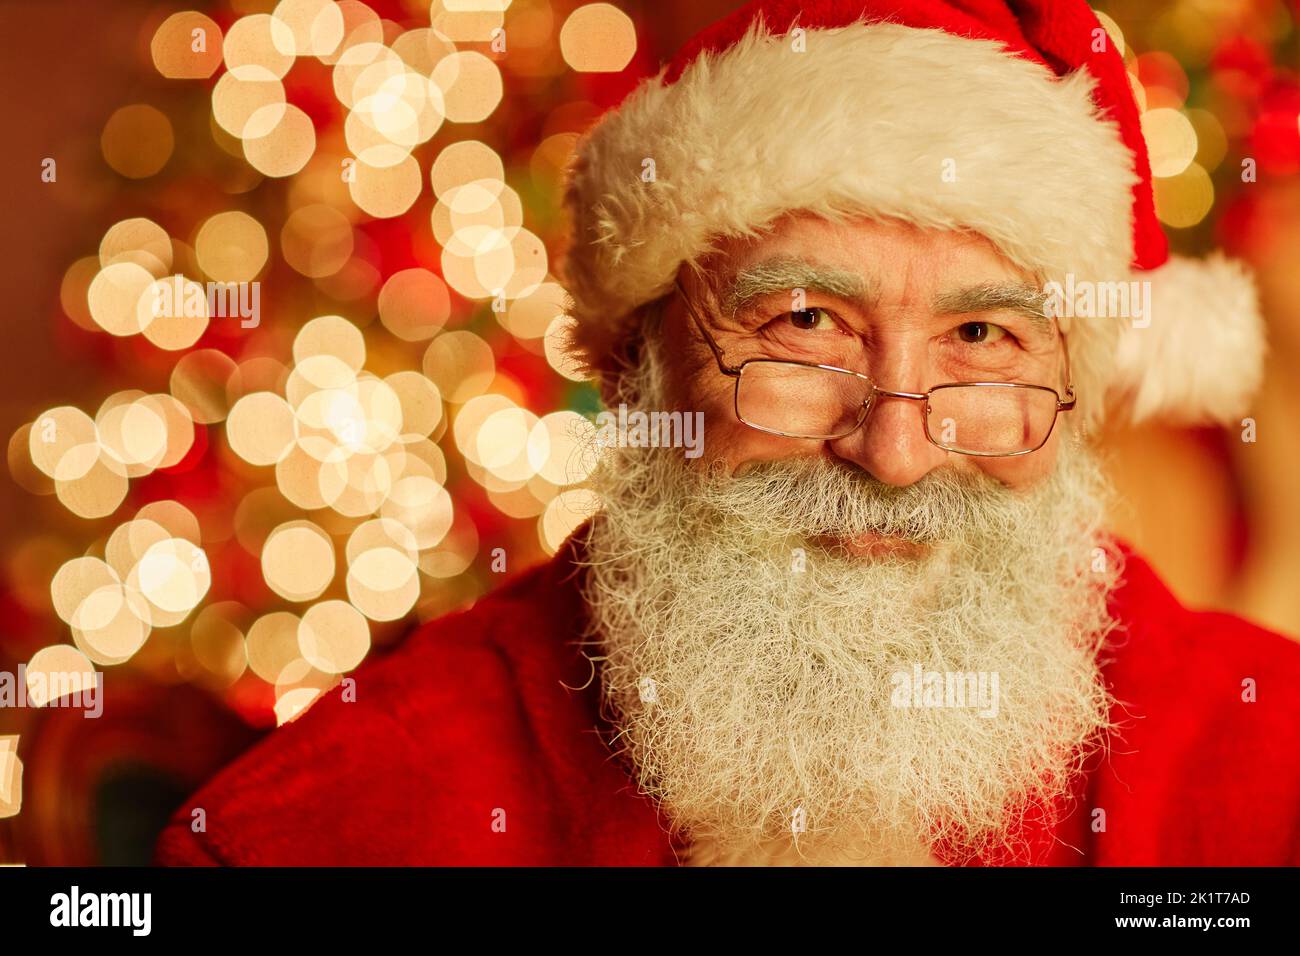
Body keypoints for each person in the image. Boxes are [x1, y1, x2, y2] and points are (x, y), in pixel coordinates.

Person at [155, 0, 1300, 866]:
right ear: (637, 364)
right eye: (803, 324)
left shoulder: (1262, 770)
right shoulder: (345, 821)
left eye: (985, 336)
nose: (896, 452)